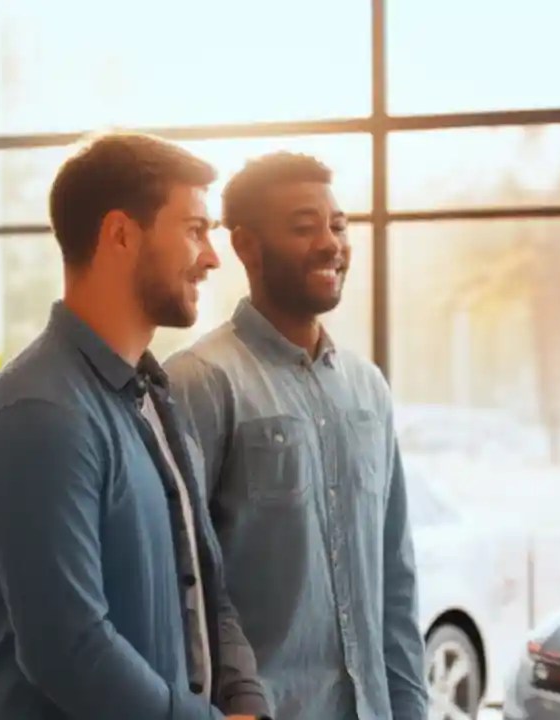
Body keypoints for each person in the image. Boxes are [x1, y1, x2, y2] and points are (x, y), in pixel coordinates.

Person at [0, 132, 271, 720]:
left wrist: (245, 700)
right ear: (121, 234)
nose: (211, 257)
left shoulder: (156, 395)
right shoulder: (39, 416)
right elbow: (68, 649)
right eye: (195, 229)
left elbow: (205, 585)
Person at [164, 152, 427, 719]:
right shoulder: (201, 382)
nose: (331, 244)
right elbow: (182, 586)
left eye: (338, 225)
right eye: (304, 228)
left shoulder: (368, 387)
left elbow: (395, 575)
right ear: (246, 246)